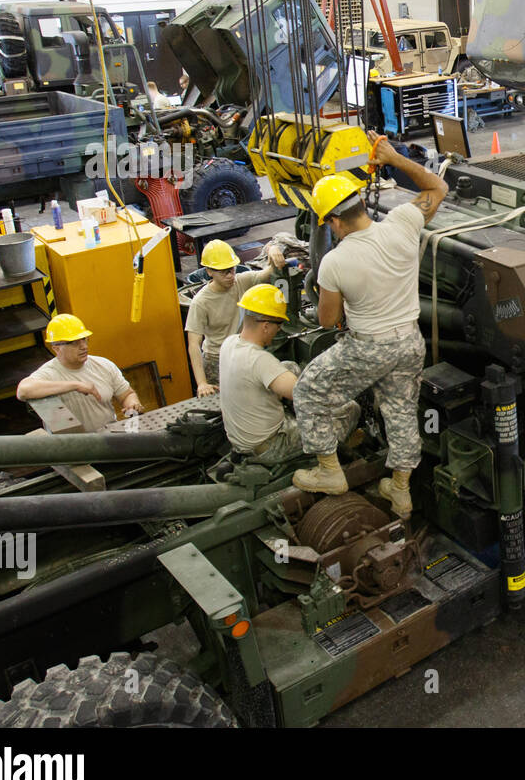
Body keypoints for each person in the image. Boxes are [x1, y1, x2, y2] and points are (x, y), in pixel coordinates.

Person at [291, 132, 447, 516]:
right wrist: (393, 157)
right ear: (362, 203)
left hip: (370, 346)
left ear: (332, 223)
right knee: (400, 410)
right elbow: (439, 185)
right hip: (410, 341)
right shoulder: (403, 223)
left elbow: (328, 321)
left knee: (308, 390)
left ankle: (330, 471)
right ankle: (400, 490)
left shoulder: (336, 262)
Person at [218, 284, 359, 465]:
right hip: (270, 446)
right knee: (350, 408)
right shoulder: (259, 360)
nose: (280, 329)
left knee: (289, 366)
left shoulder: (229, 343)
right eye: (279, 324)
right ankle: (331, 459)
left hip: (243, 438)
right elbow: (307, 395)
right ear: (266, 326)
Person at [185, 239, 285, 395]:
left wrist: (273, 249)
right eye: (224, 272)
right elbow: (193, 344)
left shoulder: (241, 281)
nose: (231, 276)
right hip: (216, 360)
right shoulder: (201, 302)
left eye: (232, 270)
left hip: (240, 354)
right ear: (209, 271)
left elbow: (270, 270)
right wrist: (202, 383)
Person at [17, 314, 142, 431]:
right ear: (56, 348)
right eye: (74, 342)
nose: (84, 346)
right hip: (75, 446)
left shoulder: (103, 365)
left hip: (109, 437)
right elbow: (23, 391)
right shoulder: (50, 373)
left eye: (84, 339)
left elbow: (126, 394)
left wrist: (132, 405)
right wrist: (76, 385)